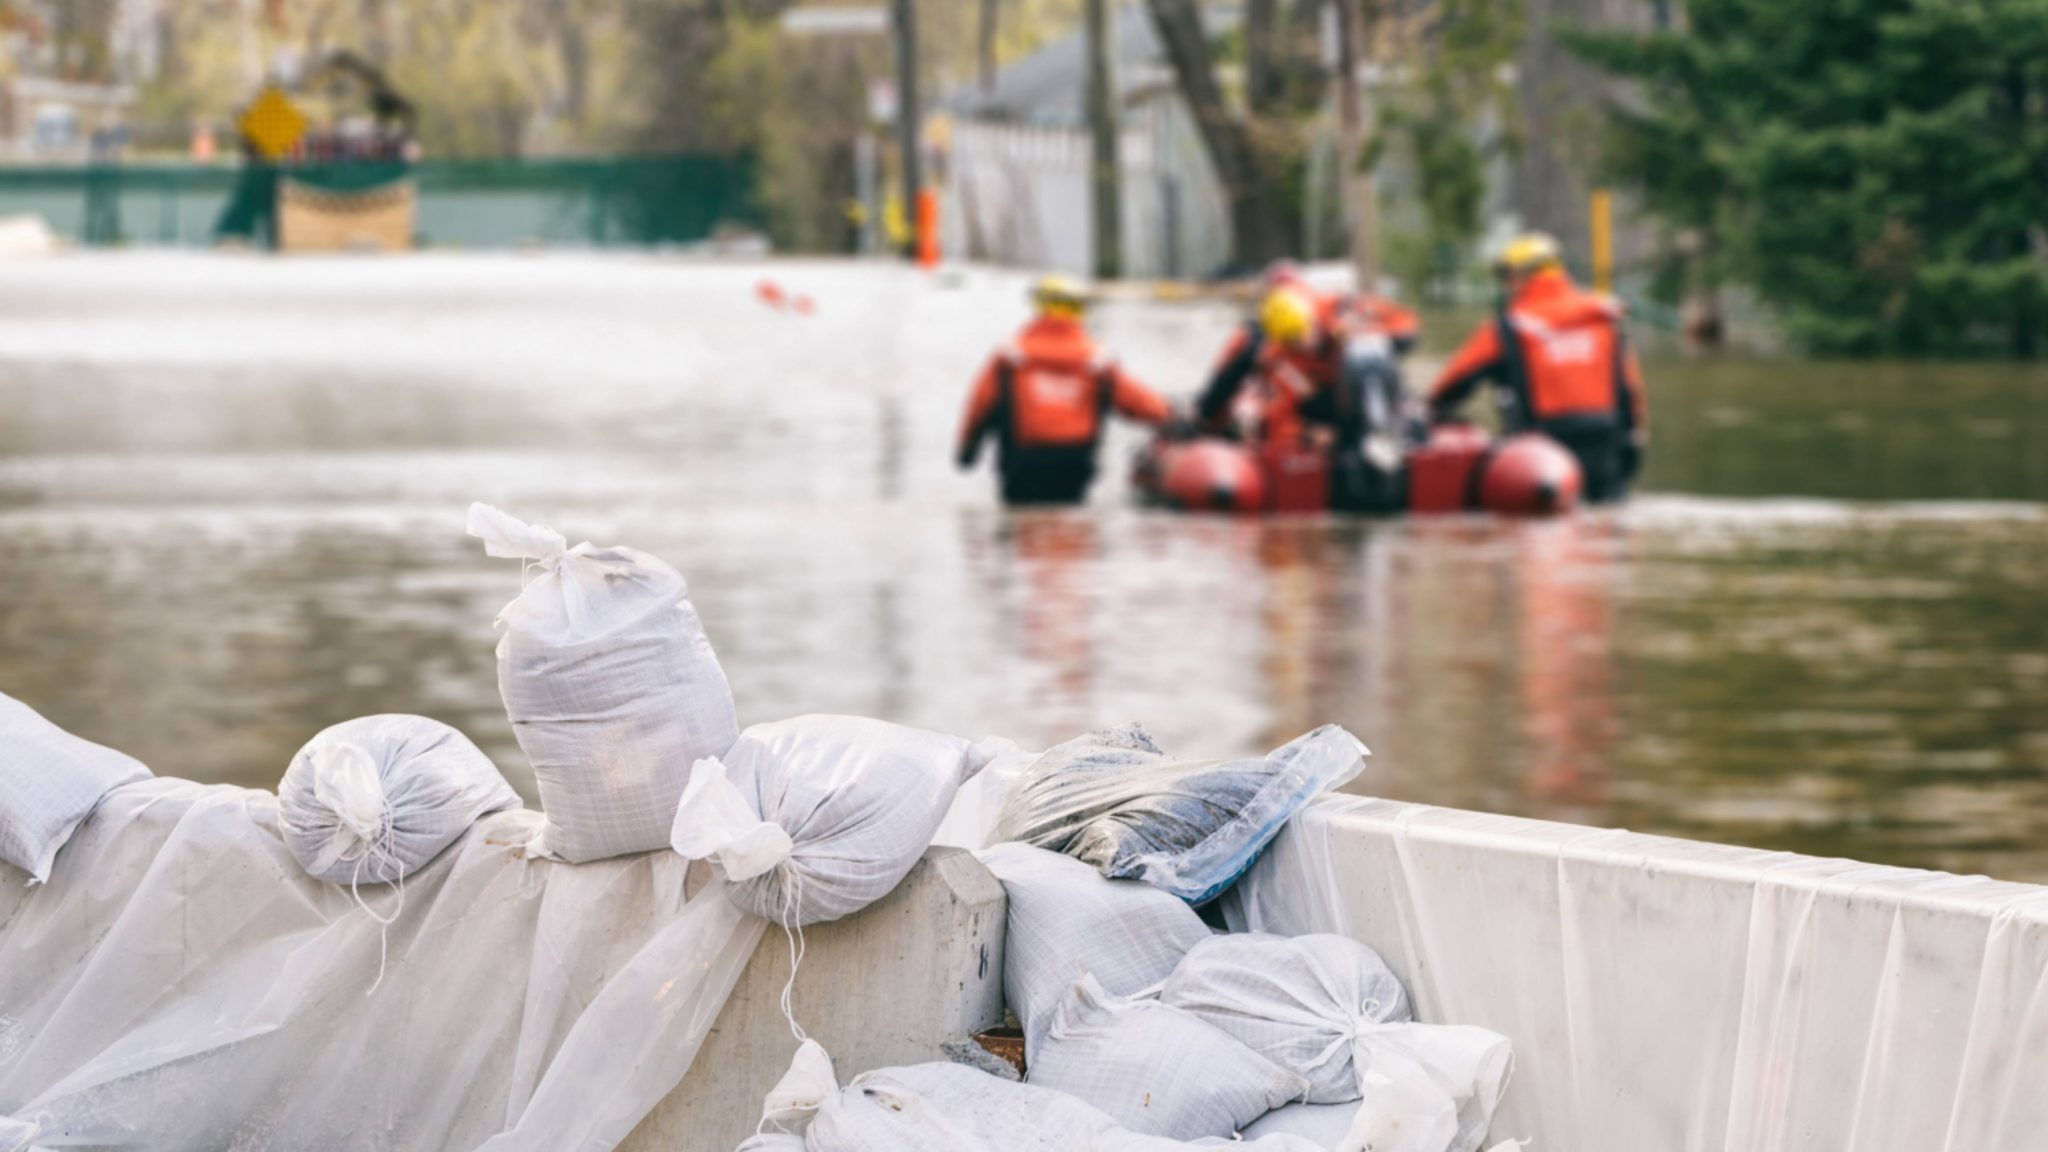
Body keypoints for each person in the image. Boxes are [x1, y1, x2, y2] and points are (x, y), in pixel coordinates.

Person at [1427, 232, 1650, 503]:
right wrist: (1634, 440)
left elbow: (1453, 383)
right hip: (1606, 444)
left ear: (1524, 275)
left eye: (1507, 276)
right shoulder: (1601, 316)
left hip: (1541, 453)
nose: (1507, 285)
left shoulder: (1509, 325)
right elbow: (1630, 389)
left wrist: (1429, 409)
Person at [1195, 271, 1420, 511]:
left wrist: (1363, 331)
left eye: (1305, 332)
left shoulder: (1341, 309)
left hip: (1372, 396)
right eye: (1294, 339)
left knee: (1367, 352)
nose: (1304, 343)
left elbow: (1406, 325)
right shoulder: (1279, 361)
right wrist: (1309, 435)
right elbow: (1279, 424)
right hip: (1329, 415)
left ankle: (1386, 434)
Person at [957, 275, 1174, 505]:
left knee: (1019, 527)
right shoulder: (1097, 359)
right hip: (1075, 465)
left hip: (1021, 465)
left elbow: (981, 404)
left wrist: (968, 451)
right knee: (1072, 526)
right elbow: (1135, 401)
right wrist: (1171, 416)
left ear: (1039, 306)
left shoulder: (1011, 354)